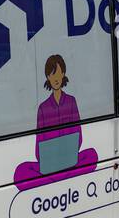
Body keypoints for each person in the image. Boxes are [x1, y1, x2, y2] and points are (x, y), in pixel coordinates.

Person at [13, 55, 98, 189]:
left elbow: (78, 135)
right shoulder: (43, 107)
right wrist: (48, 160)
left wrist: (69, 153)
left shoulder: (71, 101)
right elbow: (39, 144)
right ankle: (64, 177)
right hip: (50, 166)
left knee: (92, 155)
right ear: (47, 77)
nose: (56, 78)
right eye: (52, 74)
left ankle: (53, 180)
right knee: (20, 172)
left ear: (63, 73)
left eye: (58, 73)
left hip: (70, 161)